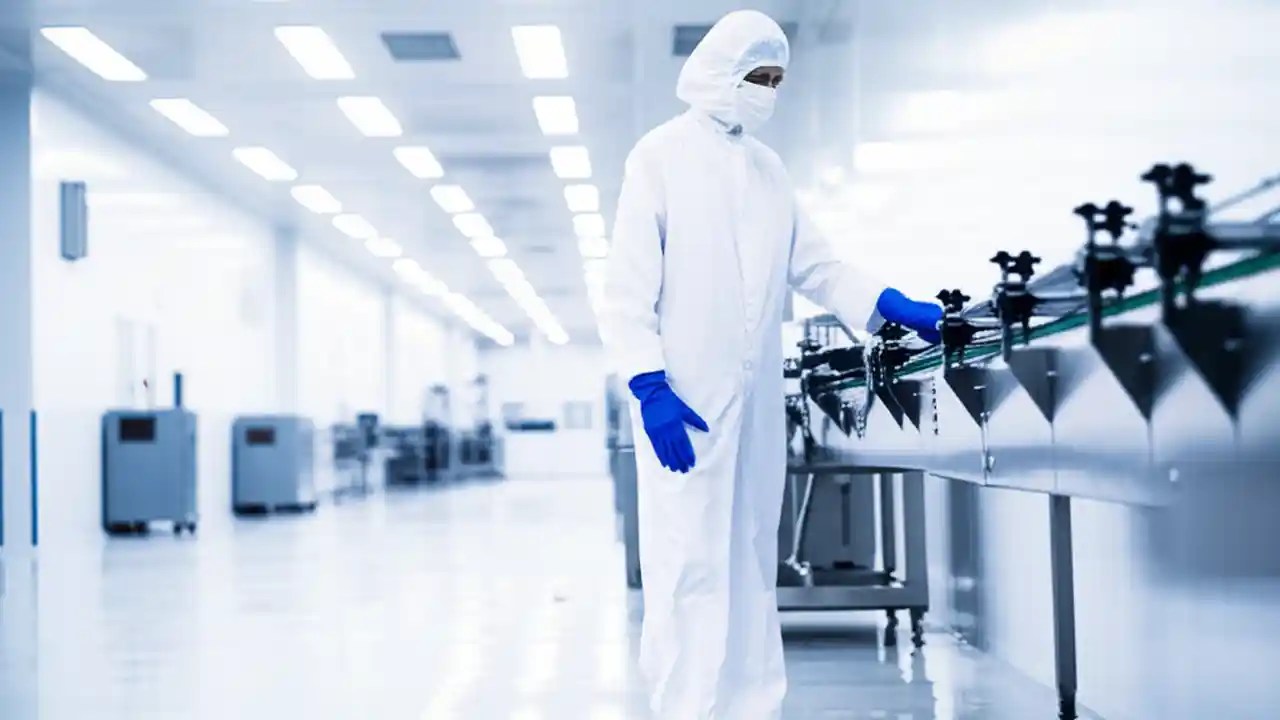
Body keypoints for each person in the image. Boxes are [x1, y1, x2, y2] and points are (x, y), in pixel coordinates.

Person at [599, 10, 942, 719]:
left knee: (754, 559)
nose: (768, 93)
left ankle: (753, 707)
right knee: (689, 564)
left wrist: (883, 300)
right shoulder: (657, 157)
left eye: (778, 81)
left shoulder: (767, 169)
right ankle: (685, 708)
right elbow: (626, 291)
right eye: (759, 77)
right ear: (721, 74)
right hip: (684, 406)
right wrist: (648, 384)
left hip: (754, 409)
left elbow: (815, 263)